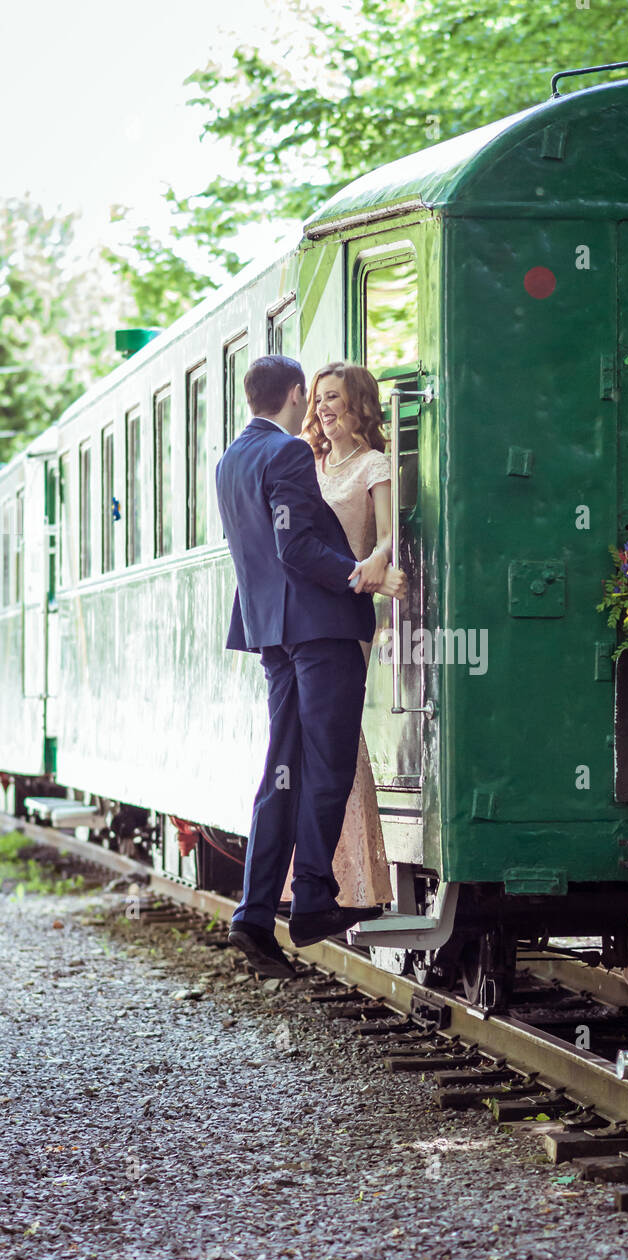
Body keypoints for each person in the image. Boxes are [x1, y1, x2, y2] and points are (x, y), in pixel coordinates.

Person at [215, 355, 407, 978]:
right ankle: (315, 900)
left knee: (281, 770)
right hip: (321, 629)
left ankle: (253, 912)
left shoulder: (230, 460)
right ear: (296, 394)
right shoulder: (290, 453)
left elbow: (258, 554)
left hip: (271, 633)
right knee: (326, 764)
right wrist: (357, 576)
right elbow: (294, 545)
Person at [279, 361, 395, 913]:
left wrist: (372, 567)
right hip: (301, 618)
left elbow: (388, 537)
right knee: (303, 750)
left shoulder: (375, 464)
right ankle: (306, 883)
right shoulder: (307, 461)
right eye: (319, 399)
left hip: (347, 616)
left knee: (338, 750)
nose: (324, 409)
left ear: (359, 407)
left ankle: (347, 881)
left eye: (335, 399)